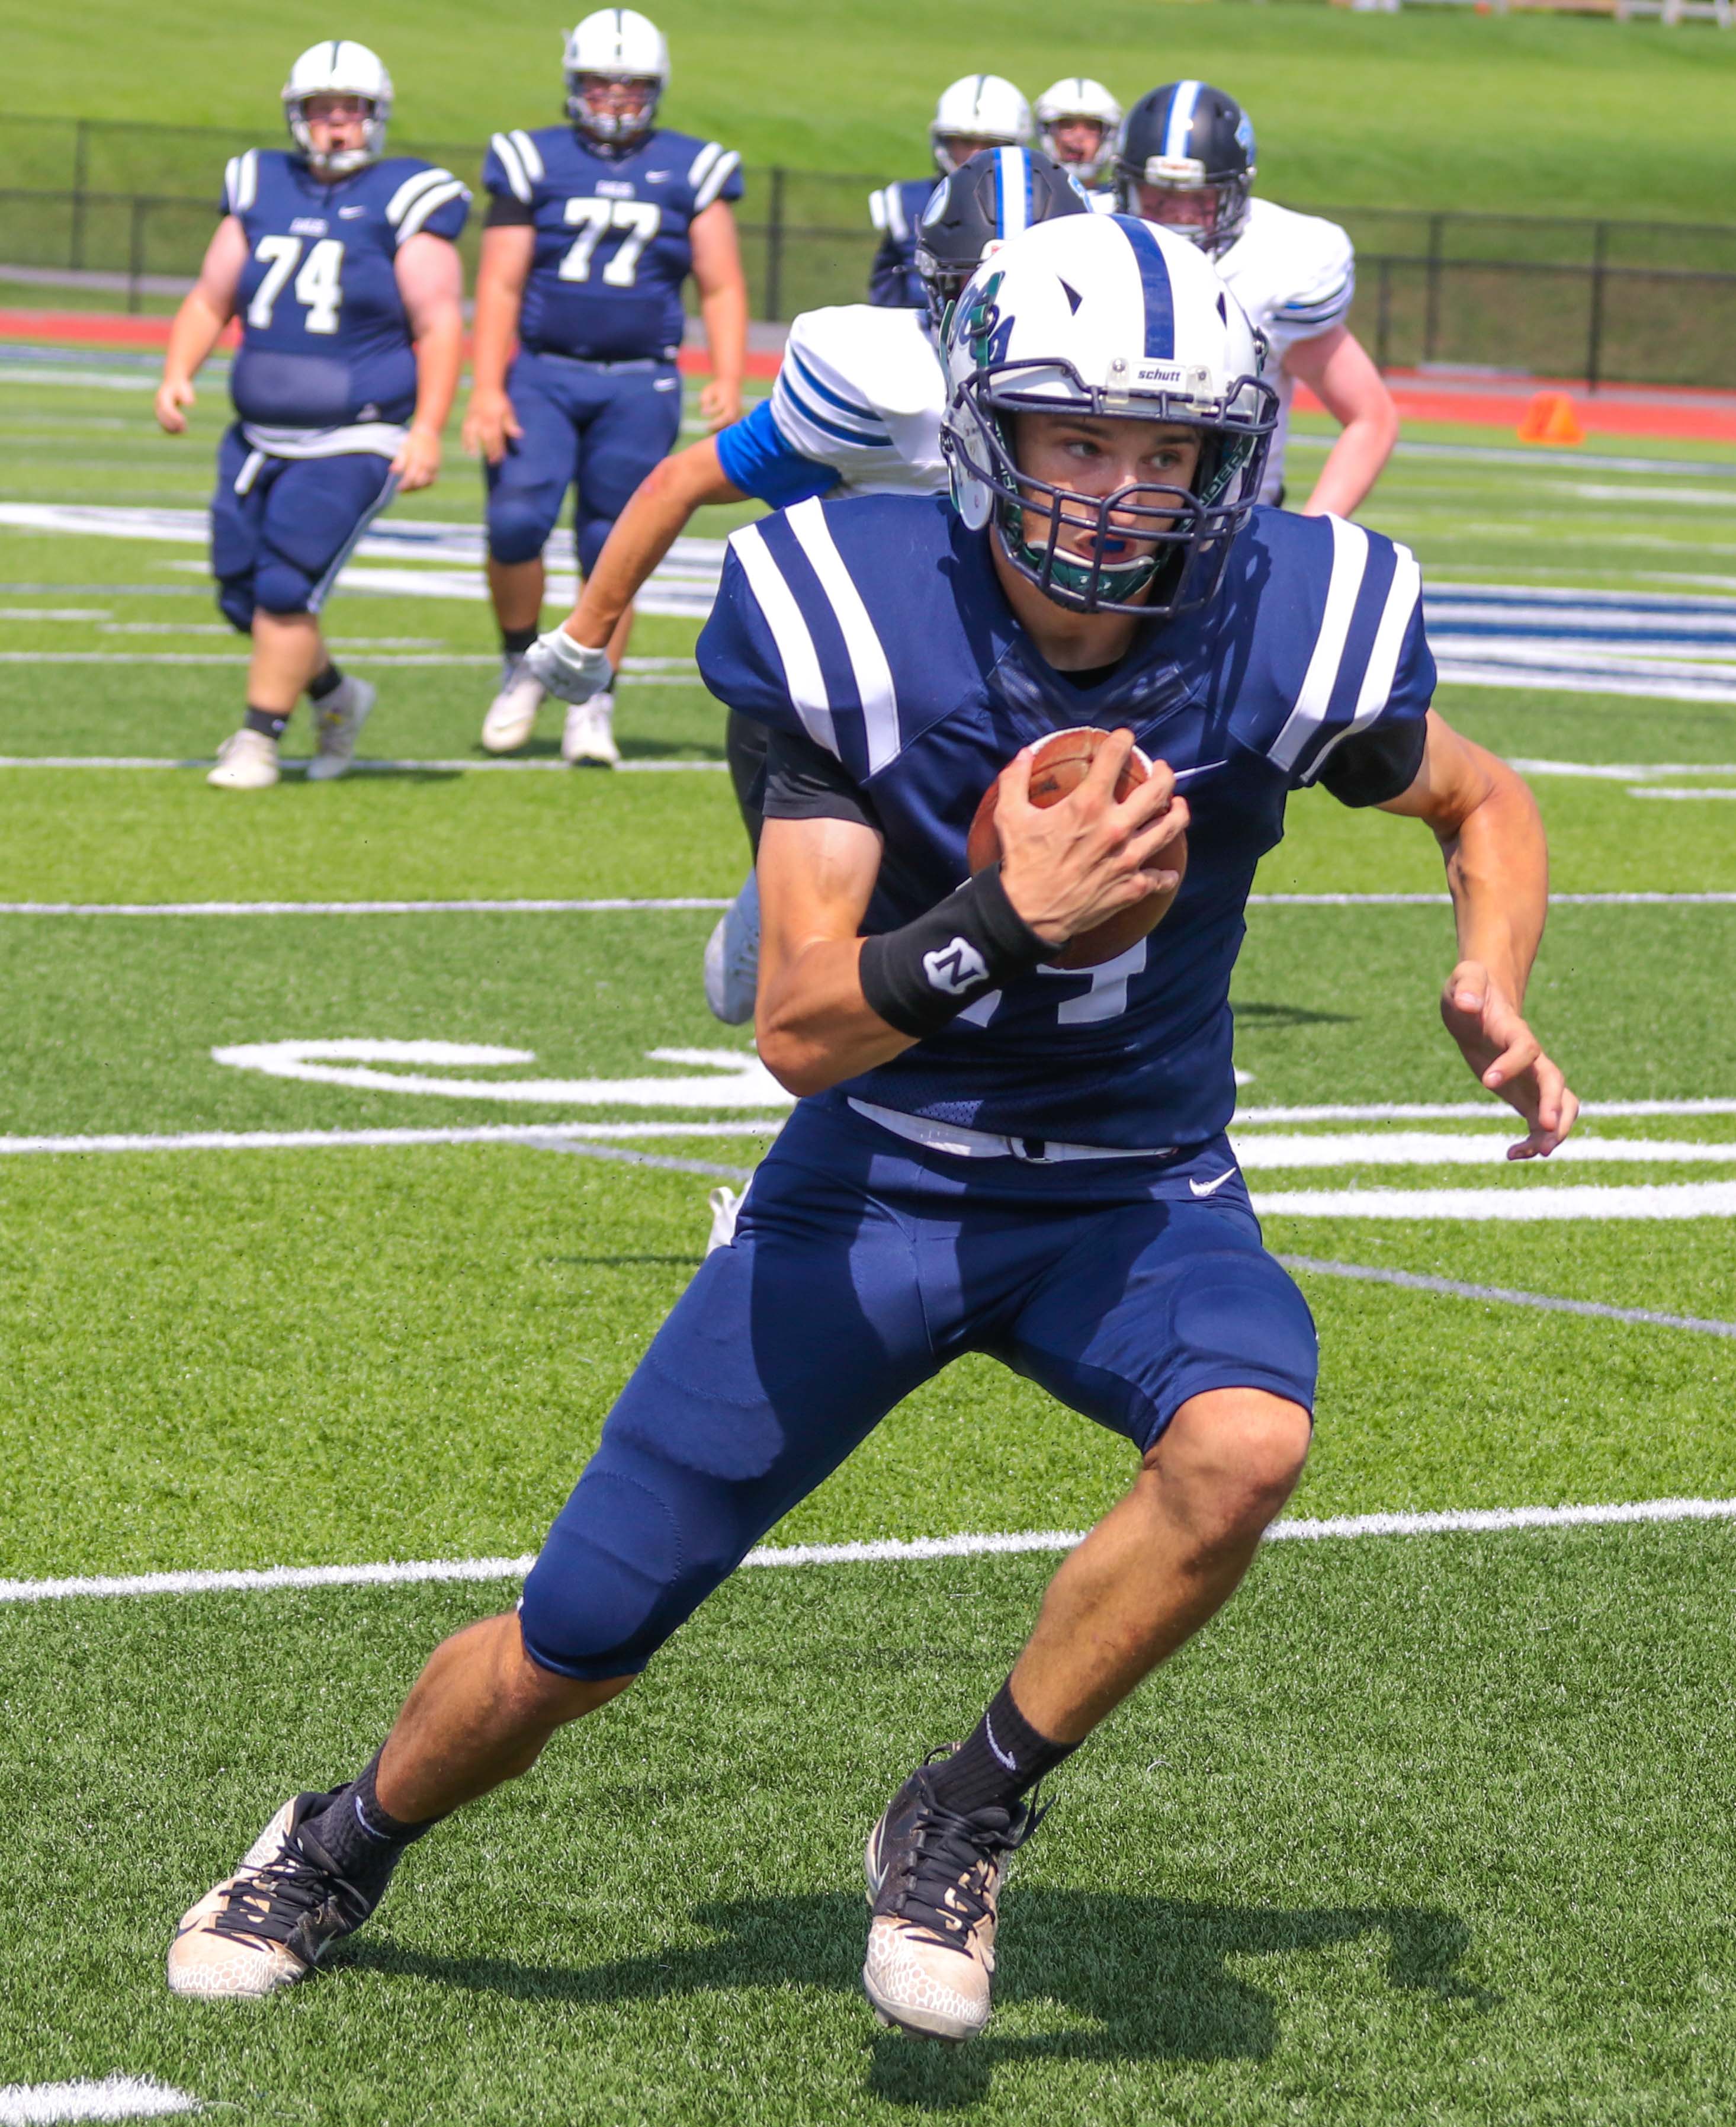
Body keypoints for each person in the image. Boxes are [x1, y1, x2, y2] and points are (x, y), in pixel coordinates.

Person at [165, 215, 1577, 2041]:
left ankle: (964, 1805)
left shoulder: (1291, 616)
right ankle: (343, 1837)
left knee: (1245, 1444)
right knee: (576, 1643)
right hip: (877, 1186)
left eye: (1170, 452)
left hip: (1132, 1193)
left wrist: (1490, 979)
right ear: (987, 430)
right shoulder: (849, 610)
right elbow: (802, 1031)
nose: (1122, 491)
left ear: (1237, 460)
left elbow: (1482, 798)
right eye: (1077, 438)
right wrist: (1011, 917)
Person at [526, 146, 1088, 1028]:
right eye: (984, 296)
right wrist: (582, 634)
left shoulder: (1126, 398)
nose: (1001, 325)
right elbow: (680, 481)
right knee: (831, 986)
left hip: (1018, 677)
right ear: (935, 291)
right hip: (847, 690)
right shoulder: (874, 381)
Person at [154, 40, 467, 791]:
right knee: (243, 594)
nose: (336, 126)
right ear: (297, 117)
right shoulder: (259, 184)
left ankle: (258, 738)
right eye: (322, 111)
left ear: (376, 117)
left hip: (356, 432)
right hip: (258, 435)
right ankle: (335, 695)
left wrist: (426, 428)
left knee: (287, 587)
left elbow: (439, 325)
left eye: (351, 112)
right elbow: (210, 295)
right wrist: (177, 371)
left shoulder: (408, 197)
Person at [467, 7, 747, 767]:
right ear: (574, 85)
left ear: (653, 89)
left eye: (631, 86)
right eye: (601, 84)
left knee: (611, 542)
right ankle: (520, 663)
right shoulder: (533, 158)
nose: (616, 99)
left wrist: (726, 374)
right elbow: (498, 285)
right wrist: (486, 387)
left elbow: (720, 286)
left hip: (638, 381)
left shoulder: (693, 167)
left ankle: (593, 696)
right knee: (516, 522)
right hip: (543, 371)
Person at [1116, 80, 1398, 516]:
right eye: (1161, 195)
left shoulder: (1278, 262)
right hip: (1096, 518)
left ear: (1235, 192)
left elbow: (1370, 418)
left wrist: (1310, 534)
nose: (1178, 213)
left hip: (1233, 530)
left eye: (1198, 198)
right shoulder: (1084, 237)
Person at [867, 74, 1032, 309]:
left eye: (989, 145)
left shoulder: (1036, 206)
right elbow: (885, 301)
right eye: (964, 142)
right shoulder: (906, 204)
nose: (976, 156)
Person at [1033, 77, 1122, 197]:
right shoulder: (1028, 200)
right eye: (1067, 126)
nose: (1078, 137)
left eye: (1091, 127)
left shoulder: (1121, 203)